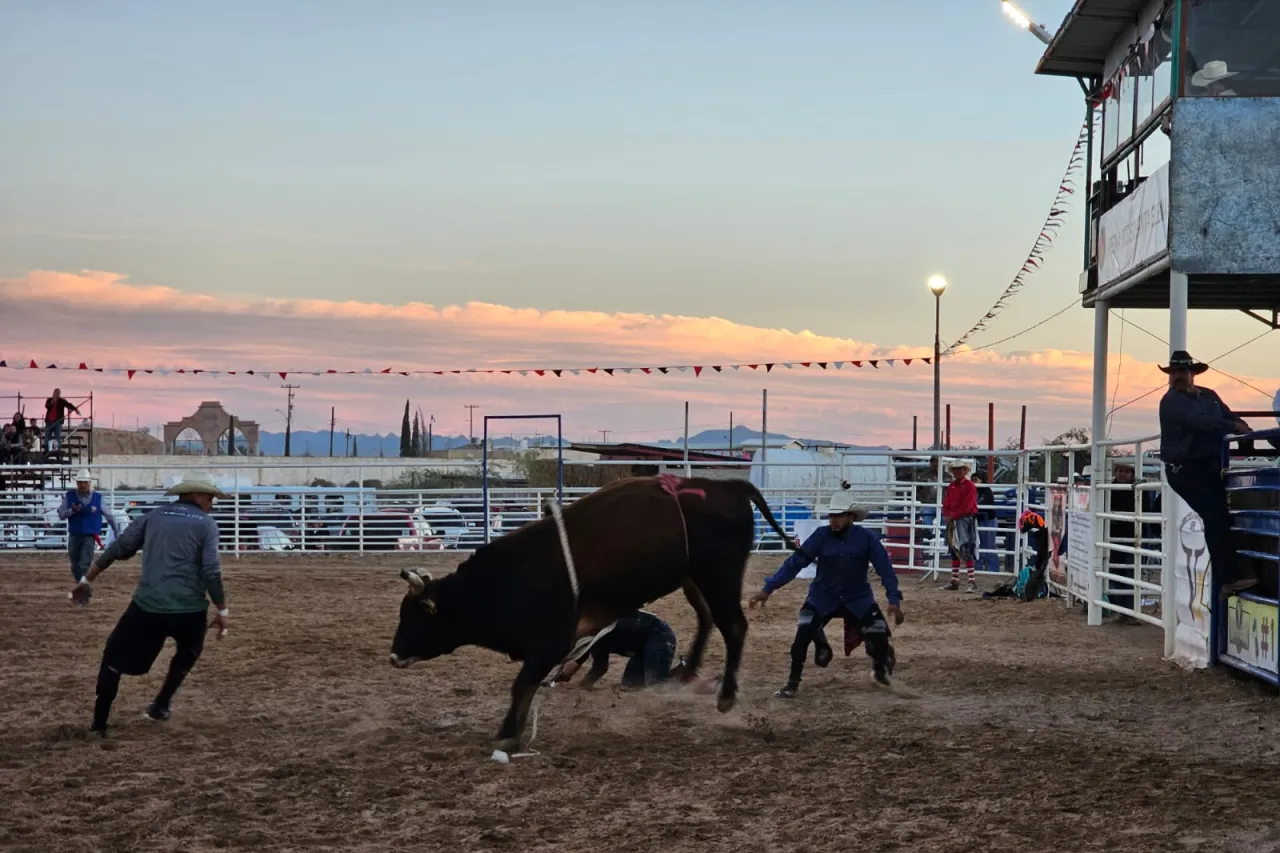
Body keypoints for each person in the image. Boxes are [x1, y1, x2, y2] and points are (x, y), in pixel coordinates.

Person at [69, 470, 230, 737]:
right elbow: (211, 571)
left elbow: (119, 548)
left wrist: (87, 578)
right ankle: (161, 703)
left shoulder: (153, 517)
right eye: (210, 498)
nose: (212, 504)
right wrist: (222, 609)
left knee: (112, 658)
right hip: (189, 609)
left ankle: (99, 723)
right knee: (189, 650)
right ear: (197, 495)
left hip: (149, 605)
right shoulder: (206, 525)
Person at [748, 491, 904, 699]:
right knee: (801, 637)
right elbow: (796, 562)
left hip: (857, 598)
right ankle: (792, 683)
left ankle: (880, 667)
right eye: (832, 516)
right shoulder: (821, 536)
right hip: (823, 597)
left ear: (851, 517)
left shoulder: (866, 538)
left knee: (879, 639)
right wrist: (768, 589)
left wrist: (894, 599)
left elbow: (885, 569)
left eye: (838, 516)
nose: (834, 520)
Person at [1157, 350, 1254, 595]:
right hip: (1186, 468)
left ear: (1193, 373)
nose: (1179, 375)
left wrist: (1244, 432)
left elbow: (1228, 416)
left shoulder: (1209, 395)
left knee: (1220, 516)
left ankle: (1234, 574)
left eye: (1183, 371)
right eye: (1176, 372)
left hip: (1206, 467)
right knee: (1216, 515)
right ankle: (1228, 578)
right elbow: (1205, 423)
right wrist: (1235, 427)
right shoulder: (1171, 401)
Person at [547, 610, 679, 689]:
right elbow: (599, 667)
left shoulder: (598, 628)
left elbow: (571, 667)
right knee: (630, 686)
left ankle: (684, 674)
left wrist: (561, 680)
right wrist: (582, 686)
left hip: (659, 635)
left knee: (655, 686)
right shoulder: (593, 638)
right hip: (641, 648)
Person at [58, 469, 120, 589]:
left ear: (89, 483)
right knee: (74, 565)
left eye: (84, 482)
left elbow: (109, 516)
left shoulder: (97, 498)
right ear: (77, 483)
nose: (82, 485)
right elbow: (61, 514)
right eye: (80, 482)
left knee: (84, 564)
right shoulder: (69, 496)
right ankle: (81, 585)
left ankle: (82, 588)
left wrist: (117, 532)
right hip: (74, 535)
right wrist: (72, 511)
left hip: (90, 536)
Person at [943, 460, 979, 592]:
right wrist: (947, 514)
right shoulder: (953, 486)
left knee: (966, 547)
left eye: (960, 469)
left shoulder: (969, 486)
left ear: (964, 471)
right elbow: (946, 503)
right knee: (955, 548)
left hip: (964, 519)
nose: (957, 472)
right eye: (955, 470)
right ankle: (957, 580)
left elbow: (968, 506)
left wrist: (950, 515)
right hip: (955, 519)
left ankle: (970, 581)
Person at [43, 389, 80, 453]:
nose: (58, 394)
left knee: (57, 437)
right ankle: (47, 452)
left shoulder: (62, 401)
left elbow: (68, 404)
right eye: (56, 393)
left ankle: (57, 452)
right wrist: (52, 401)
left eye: (59, 393)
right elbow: (47, 406)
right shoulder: (49, 400)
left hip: (57, 422)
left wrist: (75, 409)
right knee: (48, 437)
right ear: (54, 393)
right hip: (49, 421)